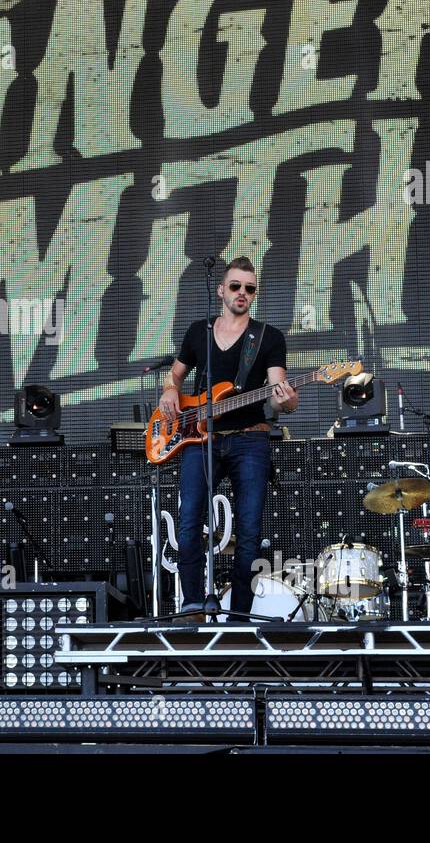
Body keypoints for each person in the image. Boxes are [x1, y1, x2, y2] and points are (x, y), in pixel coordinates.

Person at [158, 256, 297, 620]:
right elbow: (174, 376)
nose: (242, 293)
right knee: (189, 522)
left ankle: (239, 617)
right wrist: (170, 390)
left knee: (249, 533)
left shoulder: (267, 338)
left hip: (250, 441)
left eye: (249, 289)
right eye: (235, 286)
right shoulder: (198, 332)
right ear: (221, 290)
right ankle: (191, 605)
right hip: (200, 440)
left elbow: (282, 391)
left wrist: (287, 399)